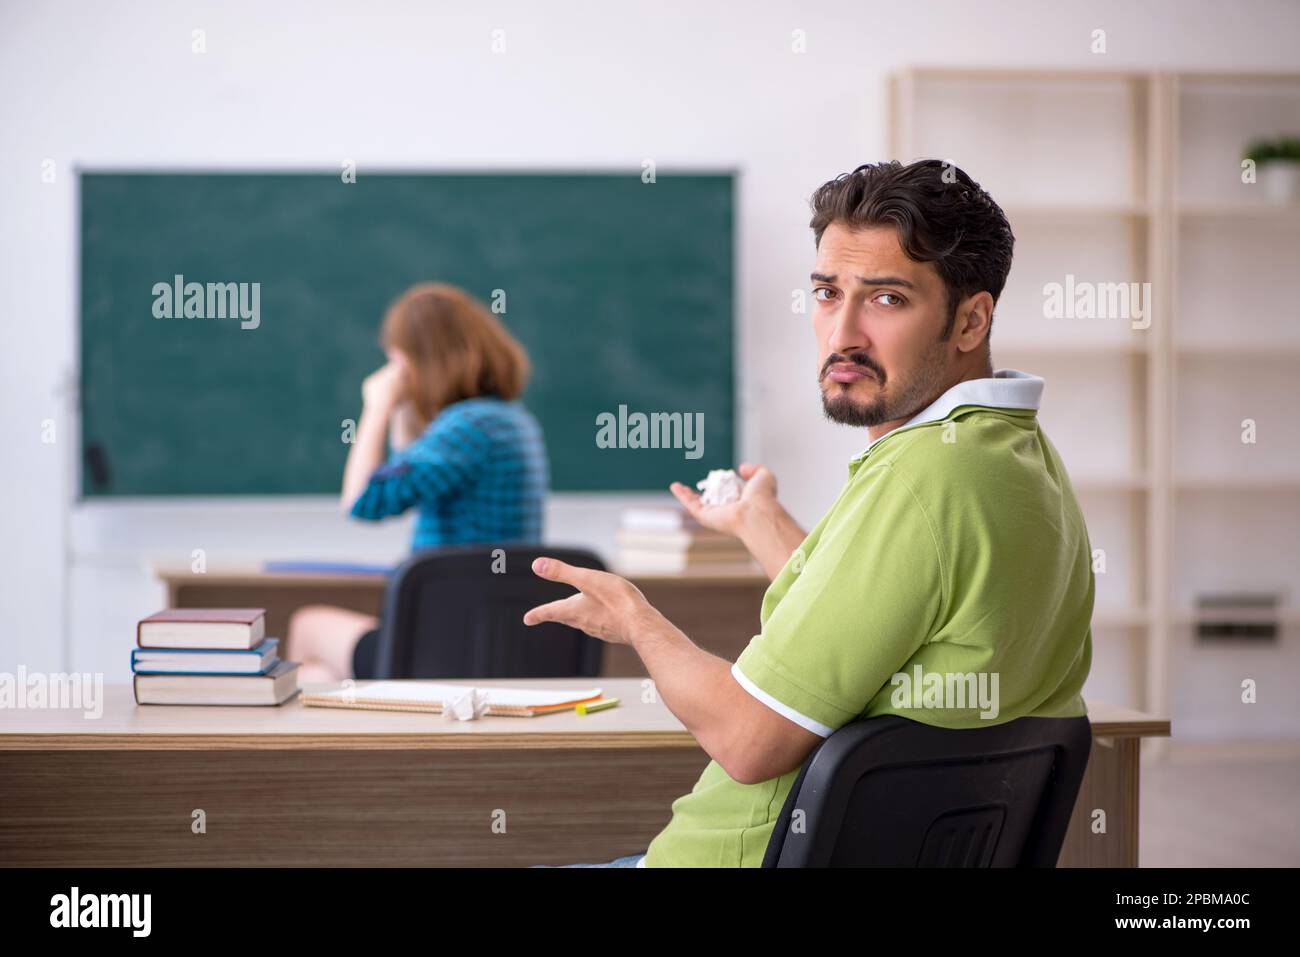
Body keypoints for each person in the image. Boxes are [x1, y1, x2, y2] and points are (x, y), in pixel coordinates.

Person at [526, 159, 1094, 867]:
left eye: (887, 300)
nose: (842, 334)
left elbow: (747, 738)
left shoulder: (923, 478)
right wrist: (759, 521)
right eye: (827, 294)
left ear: (971, 318)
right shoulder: (1015, 456)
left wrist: (637, 619)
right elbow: (883, 612)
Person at [285, 283, 547, 683]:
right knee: (318, 676)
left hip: (441, 645)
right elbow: (411, 463)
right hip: (499, 638)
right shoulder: (511, 421)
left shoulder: (464, 429)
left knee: (307, 627)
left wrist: (377, 406)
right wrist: (406, 406)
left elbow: (363, 502)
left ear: (415, 362)